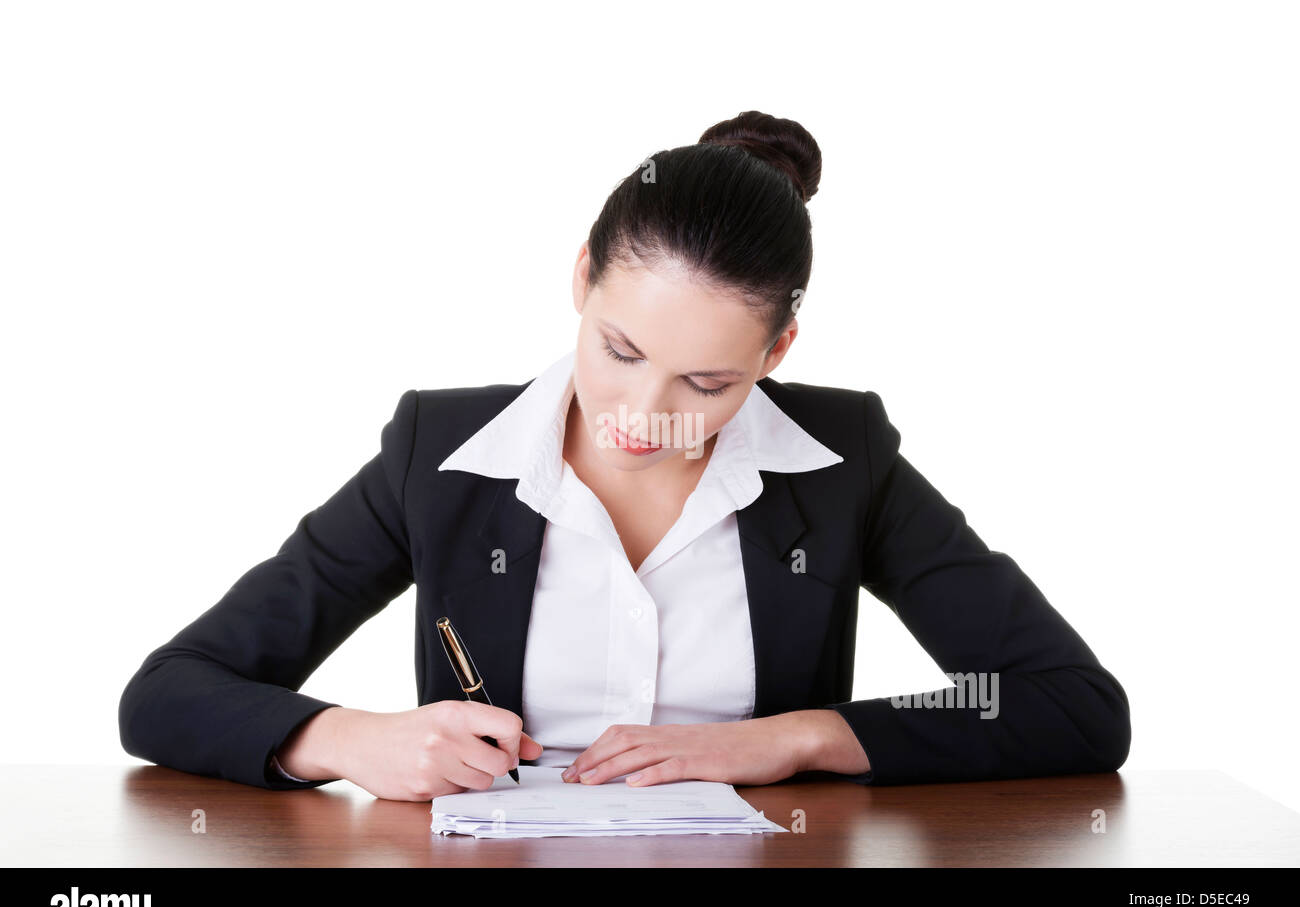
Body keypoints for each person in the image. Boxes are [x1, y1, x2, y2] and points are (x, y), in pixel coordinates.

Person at [118, 110, 1131, 802]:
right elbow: (169, 690)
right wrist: (349, 738)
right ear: (582, 280)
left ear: (776, 355)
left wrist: (795, 736)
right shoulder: (443, 453)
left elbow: (1069, 705)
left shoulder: (841, 461)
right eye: (618, 350)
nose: (641, 416)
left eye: (706, 384)